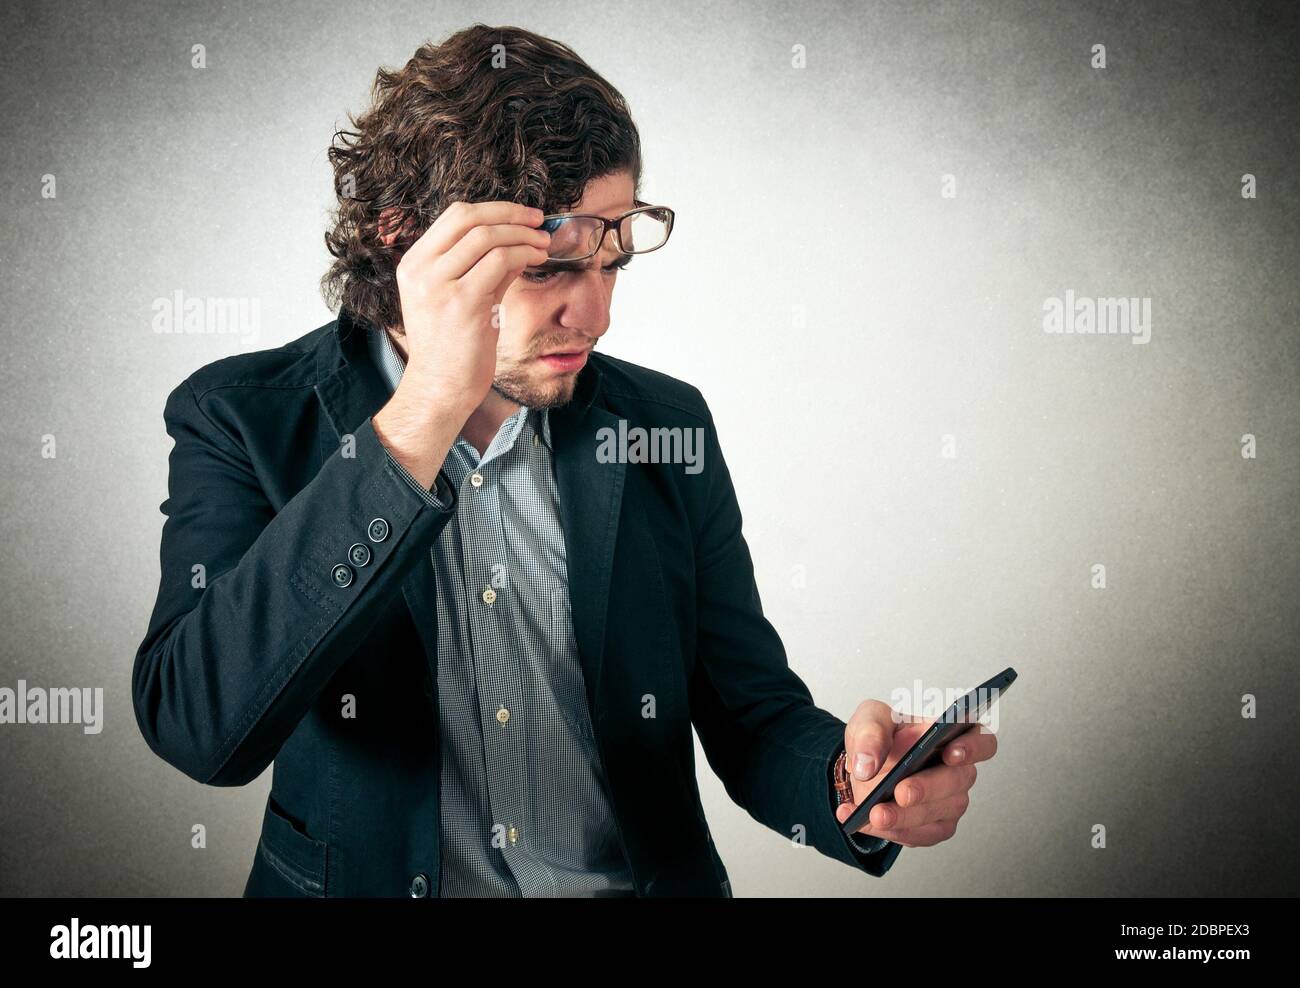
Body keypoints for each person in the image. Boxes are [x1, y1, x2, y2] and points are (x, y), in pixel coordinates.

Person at [132, 22, 997, 898]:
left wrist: (847, 787)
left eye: (612, 267)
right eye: (548, 269)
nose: (596, 316)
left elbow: (749, 711)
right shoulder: (241, 419)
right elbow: (200, 728)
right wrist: (425, 411)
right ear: (403, 242)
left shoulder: (665, 424)